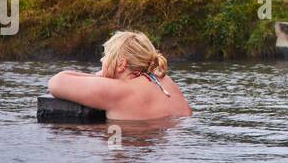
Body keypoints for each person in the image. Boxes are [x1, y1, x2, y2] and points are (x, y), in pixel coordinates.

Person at [48, 30, 192, 120]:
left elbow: (56, 82)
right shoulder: (165, 80)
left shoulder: (119, 90)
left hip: (132, 145)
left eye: (106, 56)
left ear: (121, 64)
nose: (101, 60)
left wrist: (99, 76)